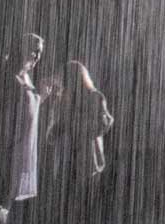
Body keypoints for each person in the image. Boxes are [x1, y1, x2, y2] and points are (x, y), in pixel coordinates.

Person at [39, 59, 114, 222]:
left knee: (84, 205)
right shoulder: (64, 99)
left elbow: (105, 123)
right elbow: (56, 130)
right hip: (68, 159)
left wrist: (77, 127)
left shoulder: (95, 96)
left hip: (87, 158)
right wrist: (55, 130)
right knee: (68, 205)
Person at [0, 32, 47, 222]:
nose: (36, 56)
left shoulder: (27, 78)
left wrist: (41, 96)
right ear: (20, 49)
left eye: (39, 53)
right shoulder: (9, 76)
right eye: (33, 50)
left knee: (8, 200)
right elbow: (4, 111)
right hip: (8, 144)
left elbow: (29, 109)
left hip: (22, 146)